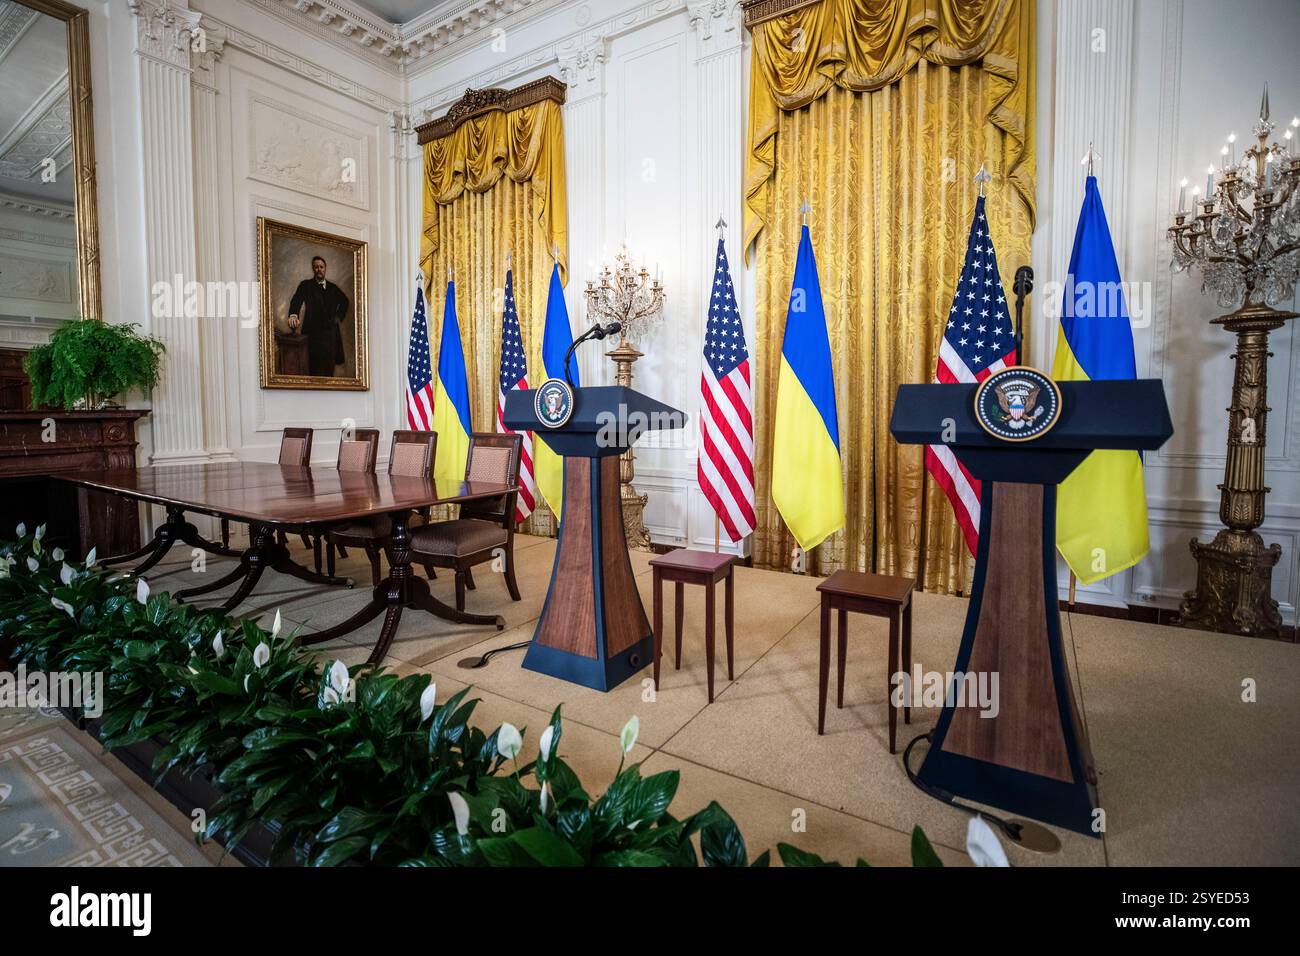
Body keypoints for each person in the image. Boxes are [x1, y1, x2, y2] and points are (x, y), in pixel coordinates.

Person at [287, 255, 349, 376]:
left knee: (329, 370)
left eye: (321, 267)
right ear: (313, 269)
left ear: (325, 268)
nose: (319, 269)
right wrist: (293, 315)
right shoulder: (306, 285)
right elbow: (296, 300)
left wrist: (337, 317)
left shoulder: (333, 288)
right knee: (312, 369)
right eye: (316, 267)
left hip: (330, 336)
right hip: (312, 334)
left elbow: (345, 301)